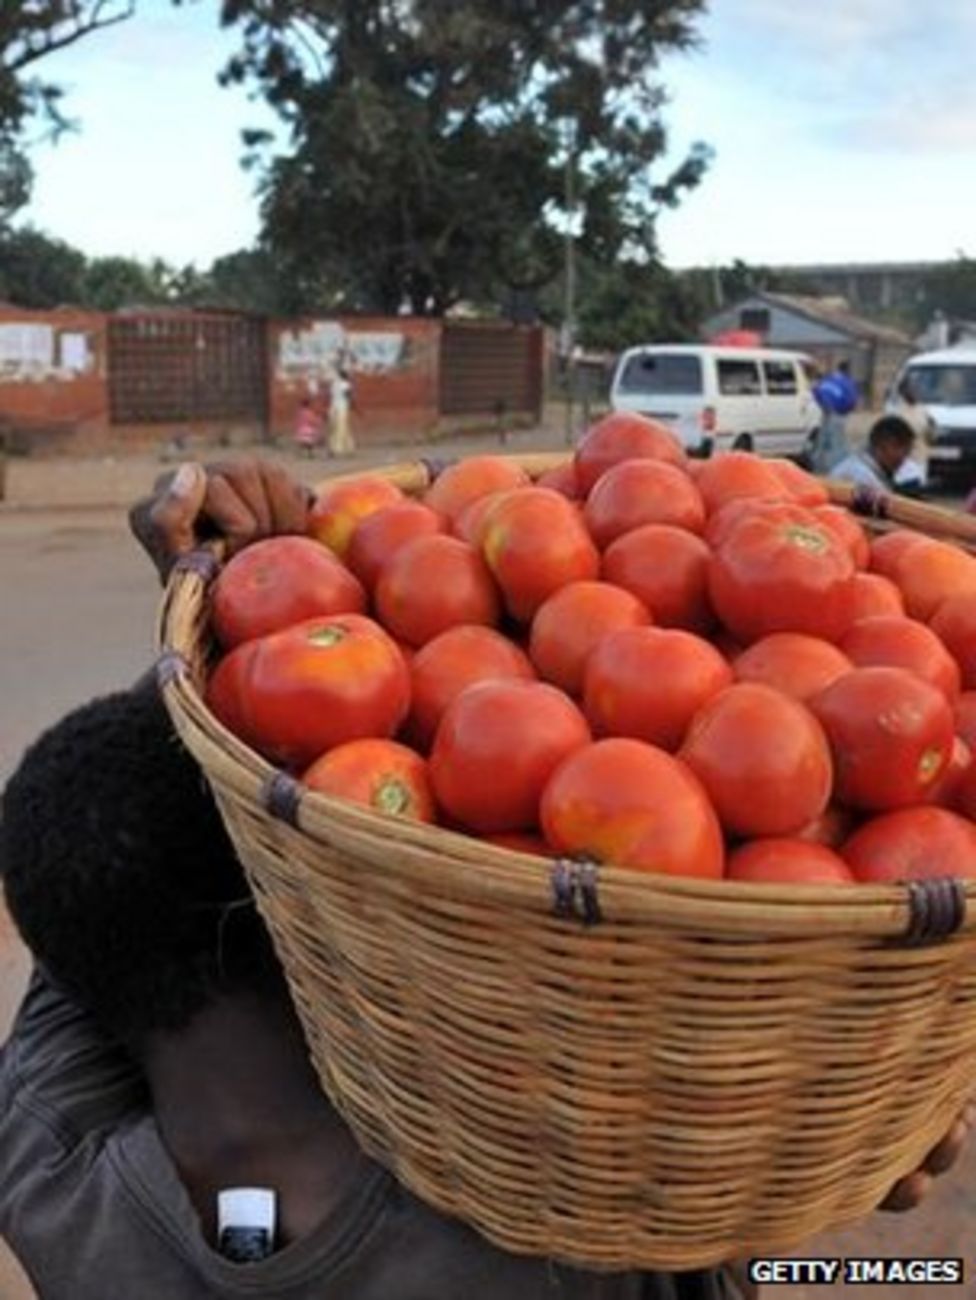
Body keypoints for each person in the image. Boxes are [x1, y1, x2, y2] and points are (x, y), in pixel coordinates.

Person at [0, 460, 969, 1300]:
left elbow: (79, 888)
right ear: (298, 910)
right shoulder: (563, 1197)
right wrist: (809, 1151)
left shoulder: (45, 1169)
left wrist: (206, 613)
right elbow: (734, 1216)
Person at [829, 414, 917, 494]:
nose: (902, 456)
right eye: (897, 447)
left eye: (907, 451)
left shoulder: (869, 470)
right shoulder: (860, 476)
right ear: (880, 445)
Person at [811, 359, 859, 473]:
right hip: (838, 414)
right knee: (837, 443)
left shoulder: (829, 378)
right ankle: (836, 470)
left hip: (825, 412)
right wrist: (845, 410)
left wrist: (823, 405)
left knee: (822, 441)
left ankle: (817, 467)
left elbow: (816, 391)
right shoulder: (847, 382)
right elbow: (852, 401)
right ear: (848, 370)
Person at [327, 365, 356, 457]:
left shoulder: (334, 384)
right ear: (345, 376)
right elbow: (348, 396)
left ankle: (349, 448)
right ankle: (337, 449)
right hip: (342, 408)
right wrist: (354, 406)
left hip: (333, 407)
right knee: (341, 428)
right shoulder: (346, 384)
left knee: (335, 428)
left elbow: (330, 396)